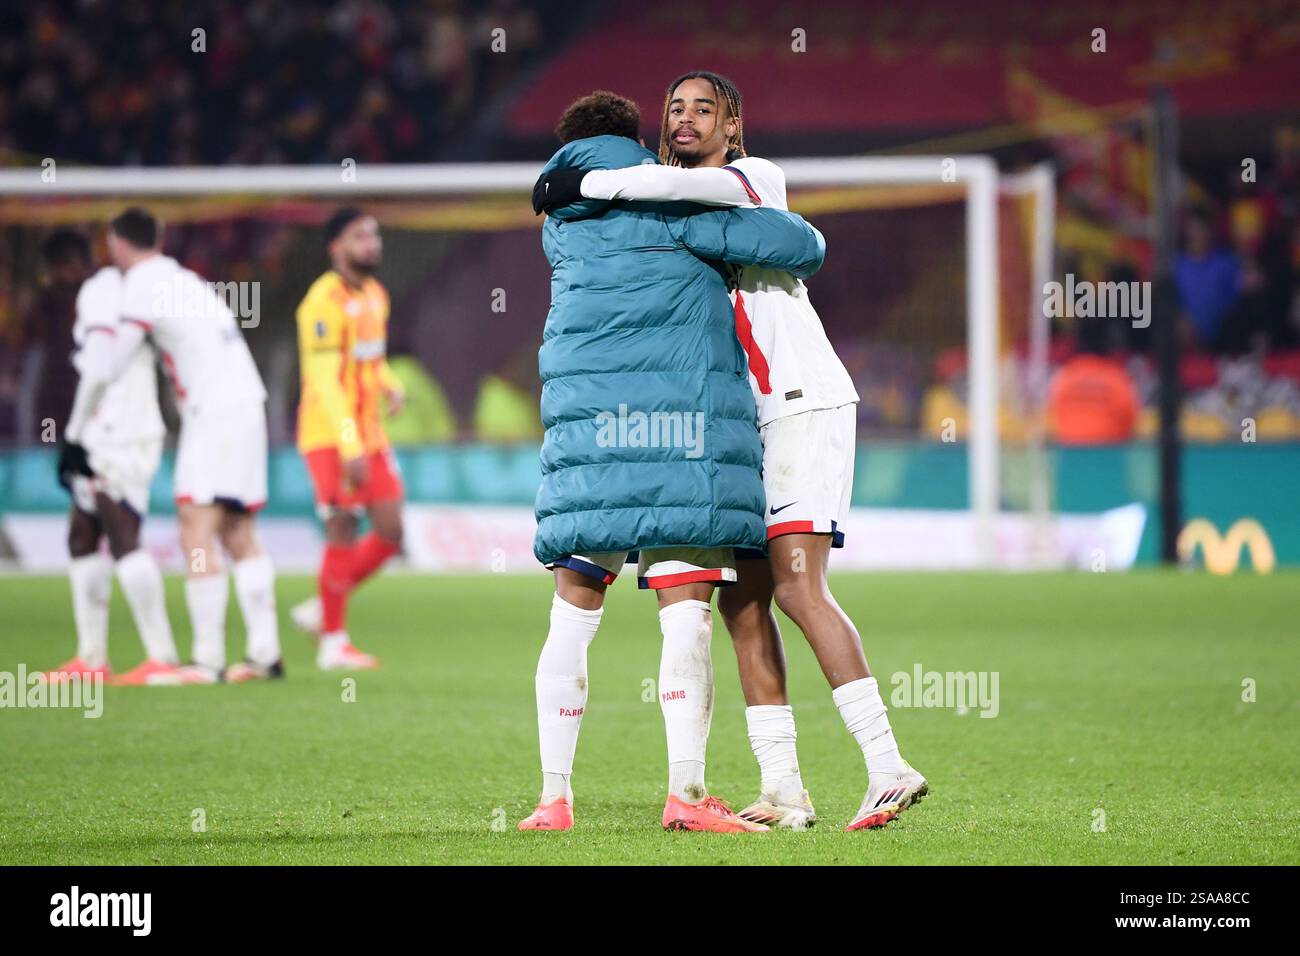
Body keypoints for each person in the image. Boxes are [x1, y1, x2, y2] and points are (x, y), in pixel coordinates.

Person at [536, 71, 927, 831]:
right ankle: (783, 788)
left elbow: (783, 237)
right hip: (742, 422)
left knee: (796, 587)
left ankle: (888, 765)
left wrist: (584, 181)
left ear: (733, 124)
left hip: (801, 401)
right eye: (674, 108)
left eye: (702, 109)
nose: (685, 119)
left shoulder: (750, 178)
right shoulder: (663, 198)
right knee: (743, 603)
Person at [521, 90, 826, 833]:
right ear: (639, 139)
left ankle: (553, 799)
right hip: (678, 433)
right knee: (684, 616)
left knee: (571, 615)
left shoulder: (561, 220)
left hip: (591, 436)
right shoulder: (682, 210)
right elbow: (800, 249)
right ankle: (685, 796)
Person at [66, 207, 282, 684]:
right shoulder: (186, 280)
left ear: (118, 244)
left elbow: (110, 363)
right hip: (247, 403)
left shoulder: (142, 283)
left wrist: (76, 432)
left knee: (195, 528)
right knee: (238, 530)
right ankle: (265, 653)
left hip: (213, 413)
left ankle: (205, 660)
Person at [42, 229, 180, 685]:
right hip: (112, 428)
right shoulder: (111, 291)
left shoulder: (99, 290)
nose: (51, 279)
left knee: (121, 533)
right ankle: (91, 659)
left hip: (120, 431)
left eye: (54, 269)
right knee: (83, 535)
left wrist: (75, 435)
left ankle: (162, 656)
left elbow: (102, 362)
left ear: (70, 263)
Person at [288, 208, 405, 670]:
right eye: (360, 236)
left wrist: (390, 383)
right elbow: (324, 380)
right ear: (336, 246)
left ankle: (323, 604)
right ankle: (333, 642)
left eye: (374, 235)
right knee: (343, 525)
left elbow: (371, 361)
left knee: (391, 530)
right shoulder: (321, 303)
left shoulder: (376, 294)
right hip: (329, 435)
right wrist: (349, 443)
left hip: (369, 434)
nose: (372, 244)